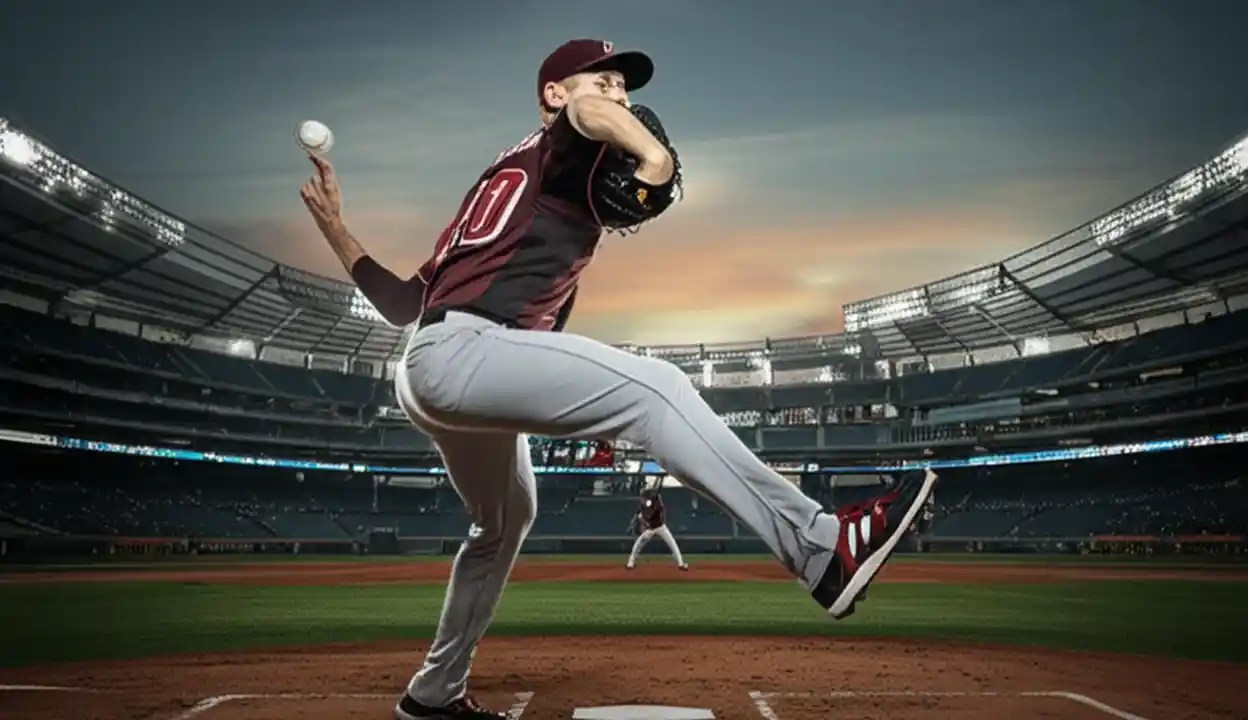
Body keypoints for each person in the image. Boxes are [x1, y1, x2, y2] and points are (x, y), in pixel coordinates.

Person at [300, 37, 939, 720]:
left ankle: (432, 695)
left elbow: (402, 305)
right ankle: (822, 548)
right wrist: (655, 156)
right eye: (603, 81)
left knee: (505, 521)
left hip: (438, 365)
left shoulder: (505, 185)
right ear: (554, 93)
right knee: (656, 388)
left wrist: (337, 230)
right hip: (466, 354)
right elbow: (586, 118)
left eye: (623, 87)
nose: (619, 97)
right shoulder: (559, 142)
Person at [625, 485, 688, 570]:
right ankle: (631, 563)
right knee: (638, 543)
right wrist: (641, 521)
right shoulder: (644, 502)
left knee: (672, 544)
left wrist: (644, 520)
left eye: (644, 494)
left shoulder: (656, 500)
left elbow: (653, 512)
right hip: (650, 528)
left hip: (659, 526)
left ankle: (681, 563)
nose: (642, 496)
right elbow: (640, 512)